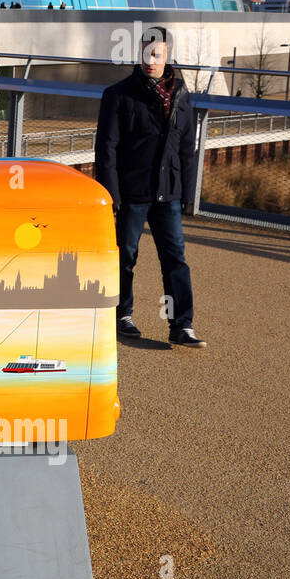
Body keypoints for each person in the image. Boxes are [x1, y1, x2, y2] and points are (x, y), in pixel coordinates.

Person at [95, 26, 205, 348]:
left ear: (168, 55)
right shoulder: (119, 95)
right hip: (132, 191)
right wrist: (111, 194)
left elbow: (186, 148)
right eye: (146, 53)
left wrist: (185, 192)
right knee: (125, 255)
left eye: (157, 54)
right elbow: (107, 149)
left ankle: (181, 325)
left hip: (167, 192)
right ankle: (121, 314)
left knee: (175, 258)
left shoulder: (182, 96)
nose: (150, 60)